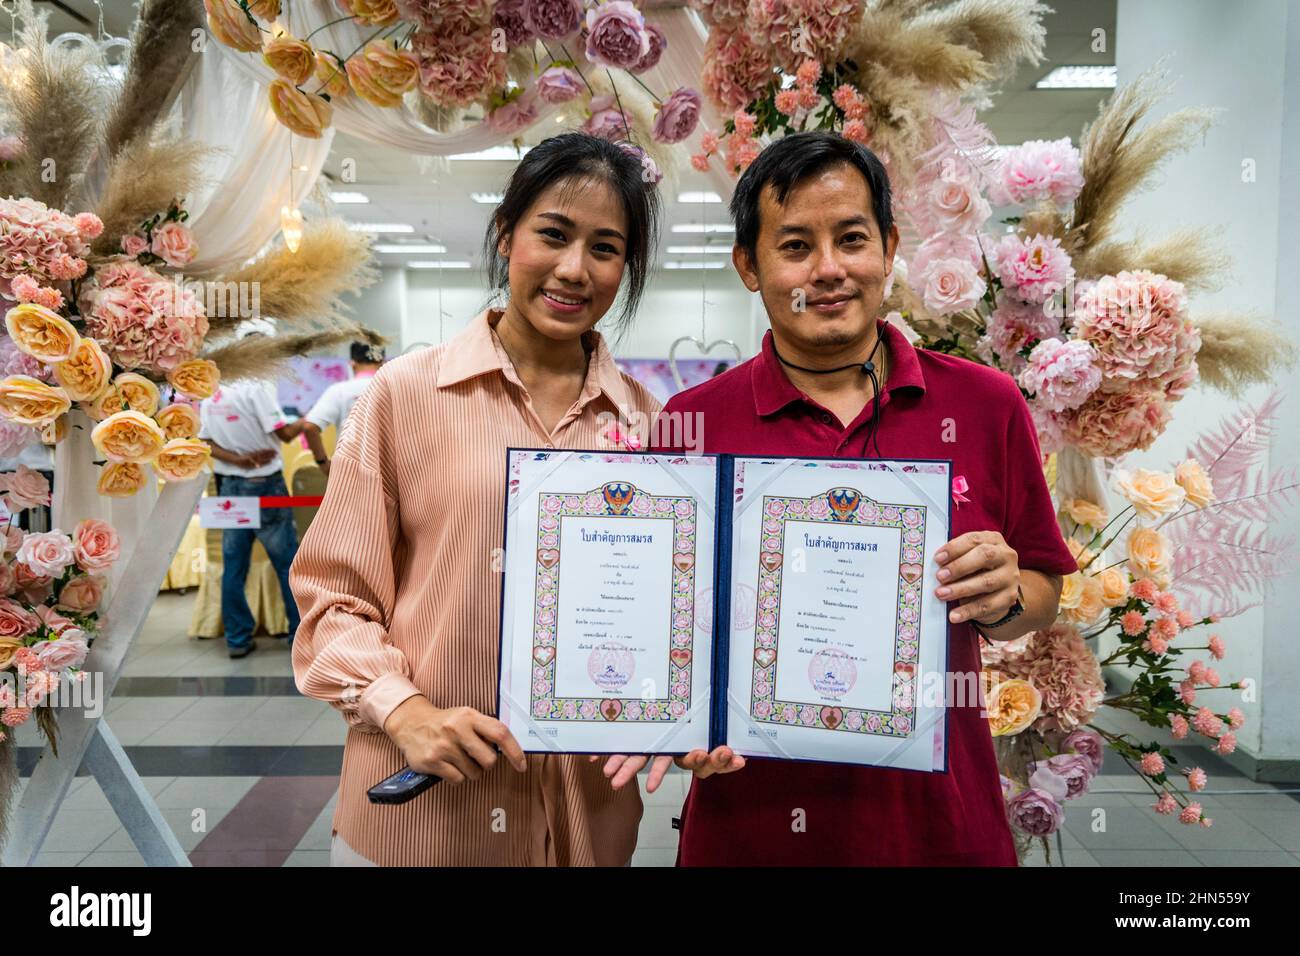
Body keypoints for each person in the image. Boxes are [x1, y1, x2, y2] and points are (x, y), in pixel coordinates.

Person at [611, 131, 1077, 865]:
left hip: (936, 823)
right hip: (750, 824)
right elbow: (659, 626)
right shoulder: (692, 425)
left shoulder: (985, 405)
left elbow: (1044, 589)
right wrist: (674, 718)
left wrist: (1004, 595)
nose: (829, 270)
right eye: (795, 246)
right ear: (748, 266)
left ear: (889, 247)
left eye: (852, 238)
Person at [289, 132, 664, 866]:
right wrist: (405, 710)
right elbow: (333, 597)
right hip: (423, 814)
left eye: (605, 247)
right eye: (552, 235)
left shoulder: (647, 424)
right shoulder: (404, 394)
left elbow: (666, 613)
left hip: (585, 817)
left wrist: (674, 704)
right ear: (506, 235)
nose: (573, 269)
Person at [199, 320, 308, 659]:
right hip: (266, 486)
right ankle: (299, 636)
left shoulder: (216, 388)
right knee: (287, 564)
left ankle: (237, 638)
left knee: (234, 567)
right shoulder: (258, 386)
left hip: (229, 487)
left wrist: (238, 460)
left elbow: (204, 440)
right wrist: (306, 422)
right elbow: (283, 434)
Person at [300, 341, 386, 476]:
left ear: (352, 363)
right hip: (388, 473)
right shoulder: (396, 388)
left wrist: (323, 463)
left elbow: (310, 427)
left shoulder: (339, 390)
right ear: (382, 362)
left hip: (349, 472)